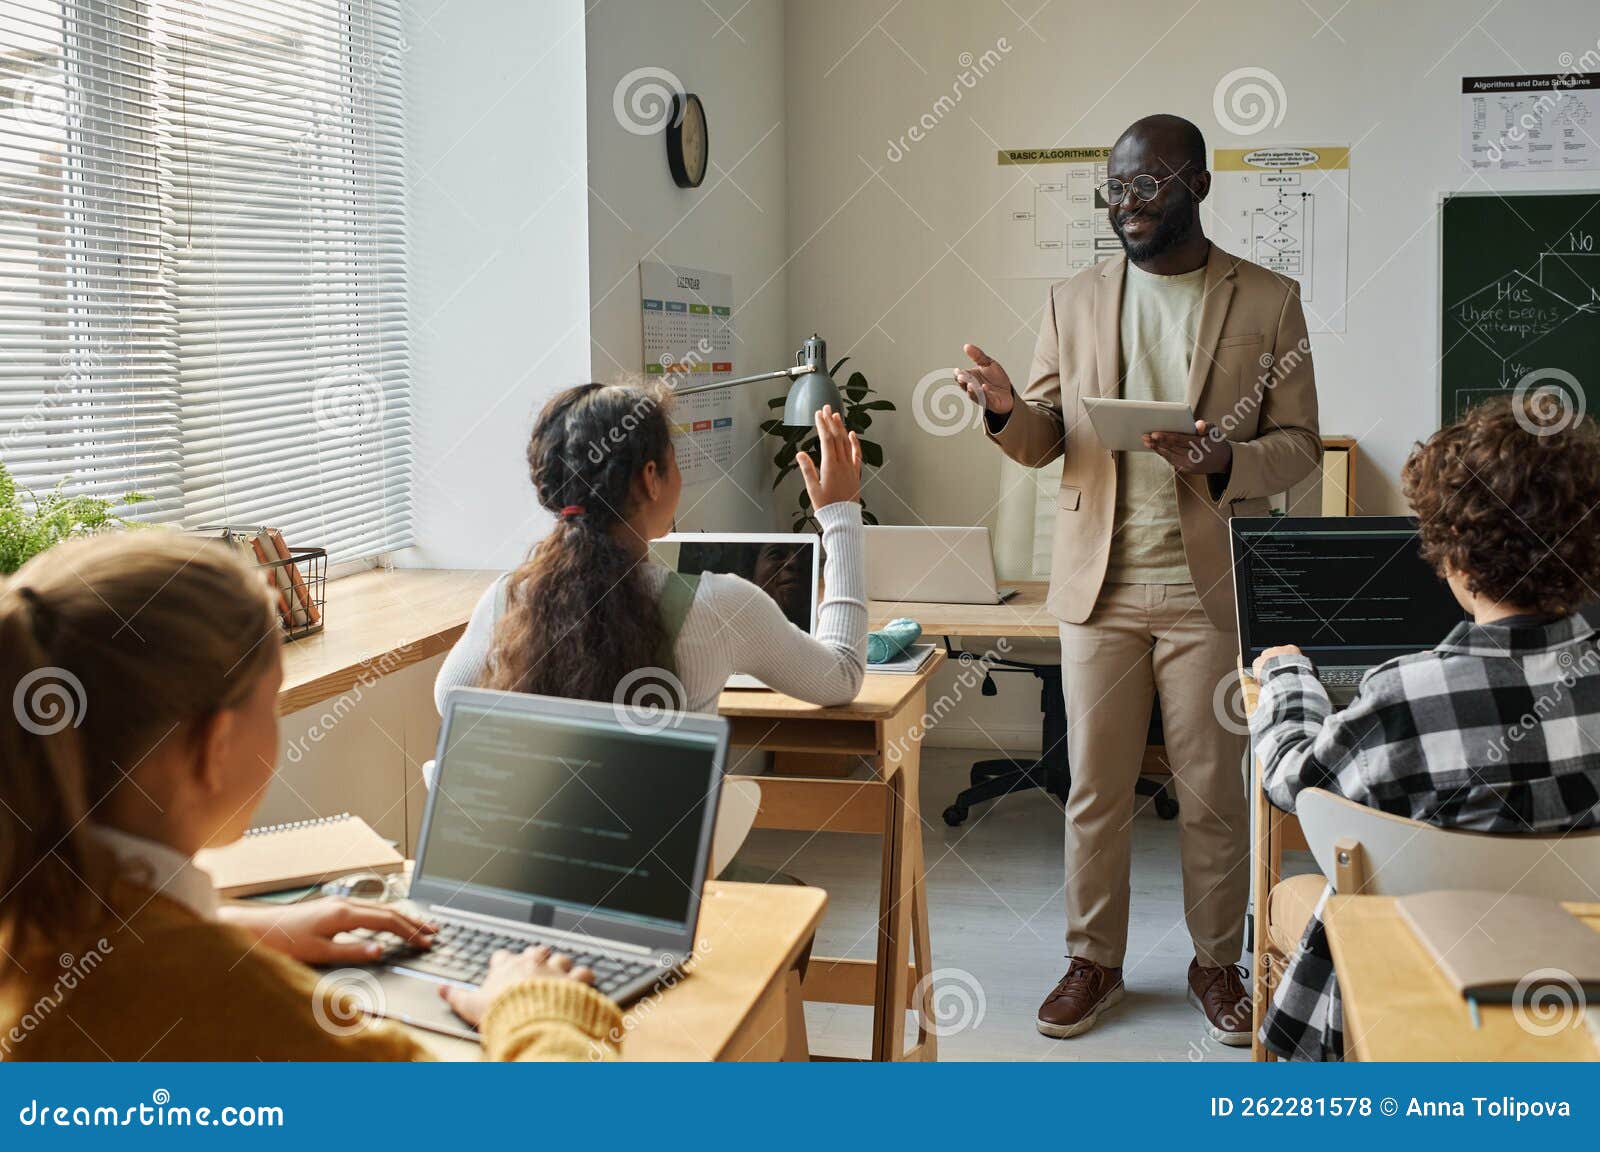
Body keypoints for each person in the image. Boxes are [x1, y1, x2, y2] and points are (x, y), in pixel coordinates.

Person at [956, 114, 1320, 1043]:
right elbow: (1046, 438)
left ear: (1196, 182)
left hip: (1205, 590)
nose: (1124, 207)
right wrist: (1004, 410)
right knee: (1095, 789)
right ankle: (1093, 962)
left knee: (1210, 790)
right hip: (1097, 585)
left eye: (1144, 188)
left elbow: (1299, 447)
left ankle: (1215, 965)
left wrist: (1219, 455)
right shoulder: (1070, 299)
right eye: (1111, 191)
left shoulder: (1269, 299)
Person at [0, 531, 622, 1061]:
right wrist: (534, 1007)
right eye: (271, 701)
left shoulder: (36, 925)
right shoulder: (250, 1011)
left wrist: (229, 929)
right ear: (215, 745)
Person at [1252, 395, 1600, 1060]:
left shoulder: (1405, 697)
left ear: (1453, 558)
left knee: (1299, 893)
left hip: (1424, 951)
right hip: (1580, 961)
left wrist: (1291, 678)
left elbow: (1291, 782)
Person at [434, 380, 867, 716]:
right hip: (668, 834)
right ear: (650, 478)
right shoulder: (720, 606)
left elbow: (449, 700)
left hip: (548, 832)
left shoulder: (509, 601)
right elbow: (841, 676)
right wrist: (841, 514)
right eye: (674, 460)